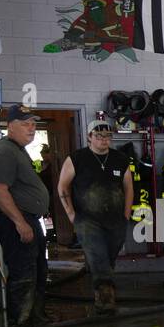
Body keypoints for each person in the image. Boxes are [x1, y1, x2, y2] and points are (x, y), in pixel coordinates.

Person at [0, 105, 60, 327]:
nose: (31, 128)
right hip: (15, 221)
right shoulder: (4, 151)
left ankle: (36, 320)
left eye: (33, 123)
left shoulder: (18, 151)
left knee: (38, 271)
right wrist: (19, 222)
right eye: (26, 123)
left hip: (29, 219)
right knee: (23, 274)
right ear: (11, 126)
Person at [56, 120, 133, 315]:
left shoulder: (121, 159)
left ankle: (101, 281)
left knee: (108, 258)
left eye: (107, 136)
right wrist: (72, 215)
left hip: (116, 220)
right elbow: (62, 186)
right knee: (98, 255)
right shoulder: (76, 159)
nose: (104, 140)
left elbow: (128, 188)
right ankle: (104, 298)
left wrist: (126, 214)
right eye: (99, 136)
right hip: (87, 220)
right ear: (89, 137)